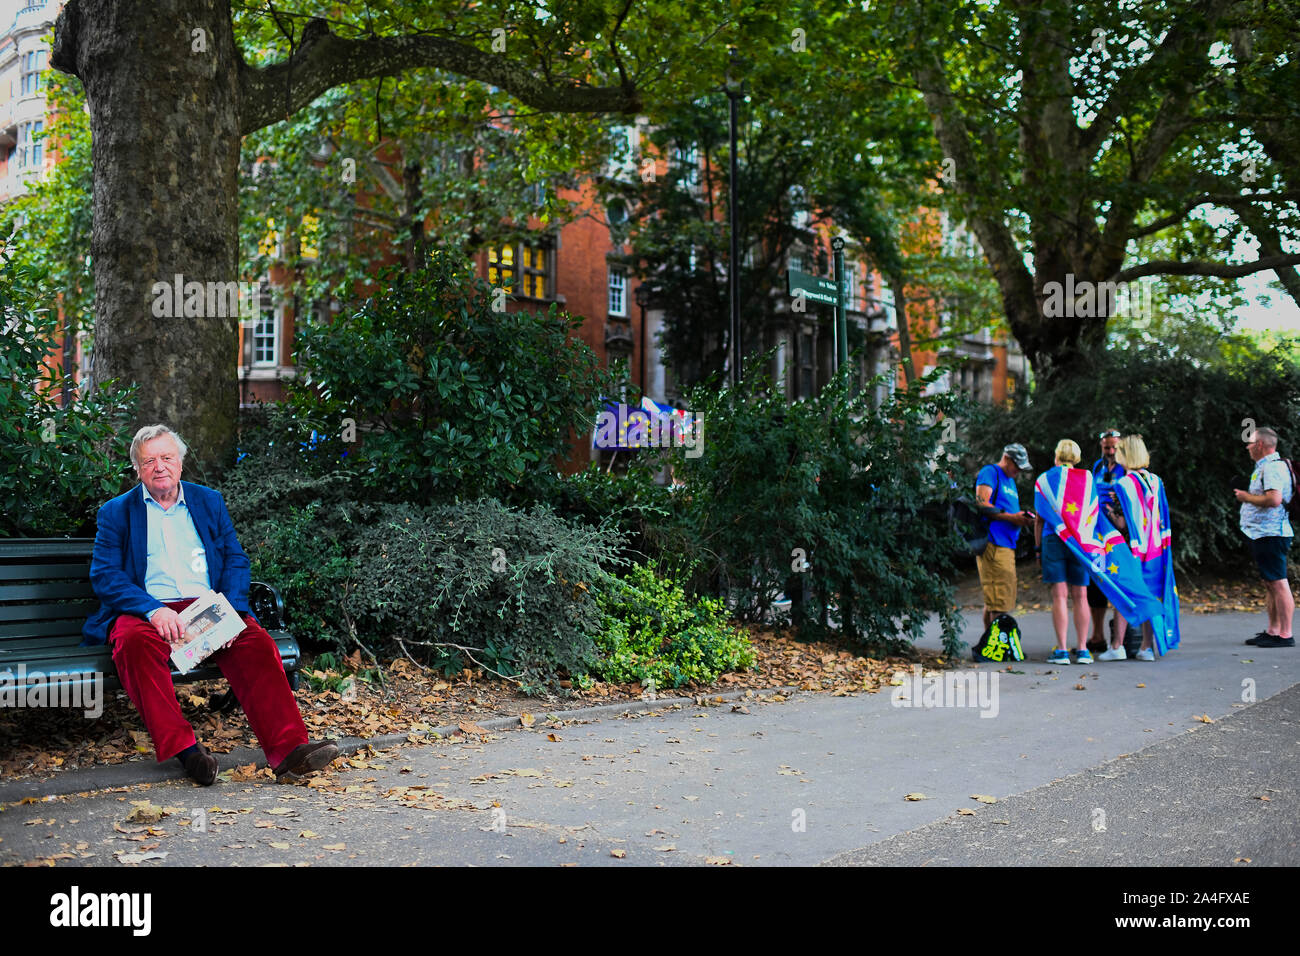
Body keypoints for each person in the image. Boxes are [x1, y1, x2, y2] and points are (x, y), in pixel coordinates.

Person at [83, 424, 340, 784]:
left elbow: (235, 559)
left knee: (254, 643)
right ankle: (187, 751)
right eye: (150, 460)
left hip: (207, 607)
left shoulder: (209, 501)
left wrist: (231, 612)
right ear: (137, 469)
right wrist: (152, 610)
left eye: (167, 458)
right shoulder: (116, 513)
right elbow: (106, 575)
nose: (160, 467)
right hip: (149, 609)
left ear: (181, 464)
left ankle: (290, 752)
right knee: (132, 644)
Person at [1105, 434, 1178, 661]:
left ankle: (1117, 646)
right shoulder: (1155, 480)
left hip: (1131, 548)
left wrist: (1108, 512)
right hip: (1156, 548)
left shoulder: (1123, 484)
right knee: (1150, 596)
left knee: (1126, 593)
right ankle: (1147, 647)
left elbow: (1123, 524)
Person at [1234, 426, 1295, 647]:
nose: (1248, 447)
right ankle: (1273, 630)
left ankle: (1285, 635)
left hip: (1271, 534)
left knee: (1278, 583)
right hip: (1263, 534)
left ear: (1260, 445)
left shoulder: (1272, 468)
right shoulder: (1266, 467)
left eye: (1250, 443)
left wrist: (1245, 497)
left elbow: (1274, 499)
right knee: (1270, 583)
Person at [1034, 440, 1093, 665]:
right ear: (1076, 458)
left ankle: (1061, 651)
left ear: (1056, 456)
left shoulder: (1043, 480)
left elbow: (1039, 519)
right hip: (1079, 542)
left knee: (1059, 595)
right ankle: (1083, 649)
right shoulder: (1087, 479)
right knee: (1081, 596)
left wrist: (1038, 550)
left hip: (1053, 539)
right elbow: (1092, 514)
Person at [974, 443, 1036, 630]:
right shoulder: (990, 472)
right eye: (1016, 466)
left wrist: (1022, 519)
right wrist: (1013, 518)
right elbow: (981, 503)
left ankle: (990, 642)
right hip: (993, 542)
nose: (1018, 471)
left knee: (997, 597)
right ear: (1007, 459)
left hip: (1007, 543)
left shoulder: (1009, 479)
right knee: (999, 598)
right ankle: (996, 646)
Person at [1087, 429, 1127, 652]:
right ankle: (1097, 636)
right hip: (1096, 533)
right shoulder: (1097, 467)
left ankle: (1120, 640)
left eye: (1114, 448)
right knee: (1096, 582)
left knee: (1118, 582)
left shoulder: (1127, 468)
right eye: (1106, 448)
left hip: (1118, 534)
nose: (1110, 452)